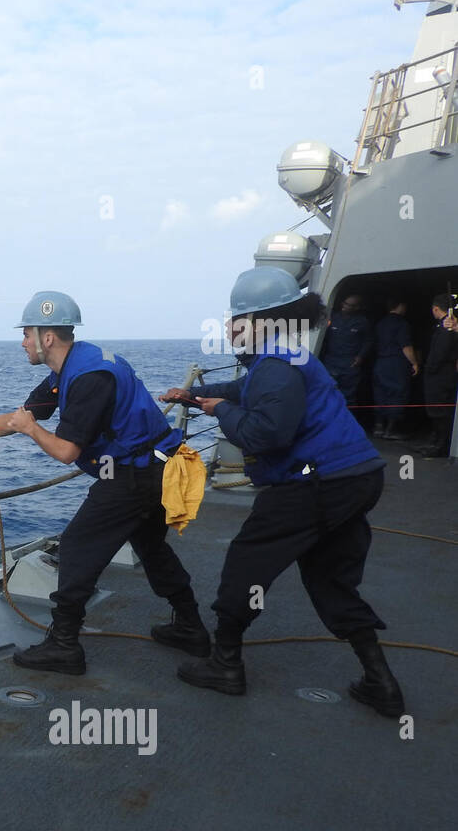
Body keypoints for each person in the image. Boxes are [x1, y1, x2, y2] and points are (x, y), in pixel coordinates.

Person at [163, 266, 405, 719]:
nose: (230, 328)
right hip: (355, 478)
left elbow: (266, 436)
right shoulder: (282, 357)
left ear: (264, 321)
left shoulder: (274, 366)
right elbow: (243, 387)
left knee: (246, 565)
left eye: (237, 319)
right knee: (331, 577)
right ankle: (380, 681)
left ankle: (226, 664)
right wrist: (195, 397)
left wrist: (225, 412)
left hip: (313, 483)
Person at [0, 290, 209, 675]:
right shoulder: (69, 370)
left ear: (46, 337)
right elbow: (19, 418)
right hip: (151, 469)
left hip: (133, 475)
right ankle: (190, 627)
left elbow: (66, 450)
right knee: (152, 549)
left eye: (26, 334)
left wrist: (33, 431)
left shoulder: (88, 379)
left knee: (79, 547)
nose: (22, 342)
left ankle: (64, 645)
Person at [371, 297, 419, 438]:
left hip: (380, 362)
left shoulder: (380, 323)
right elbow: (406, 347)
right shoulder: (402, 324)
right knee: (397, 394)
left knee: (380, 393)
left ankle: (378, 426)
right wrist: (414, 363)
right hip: (396, 363)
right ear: (401, 306)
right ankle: (391, 430)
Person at [418, 295, 458, 457]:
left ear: (436, 308)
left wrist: (429, 369)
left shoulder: (444, 330)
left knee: (439, 411)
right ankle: (437, 441)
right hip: (447, 374)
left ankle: (440, 445)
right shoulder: (449, 329)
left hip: (440, 375)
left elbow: (439, 353)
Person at [319, 293, 372, 407]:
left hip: (350, 363)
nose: (345, 306)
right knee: (327, 393)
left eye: (349, 305)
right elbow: (322, 338)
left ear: (357, 307)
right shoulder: (332, 318)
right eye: (344, 303)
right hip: (331, 361)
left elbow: (369, 341)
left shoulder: (362, 322)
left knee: (348, 397)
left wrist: (361, 356)